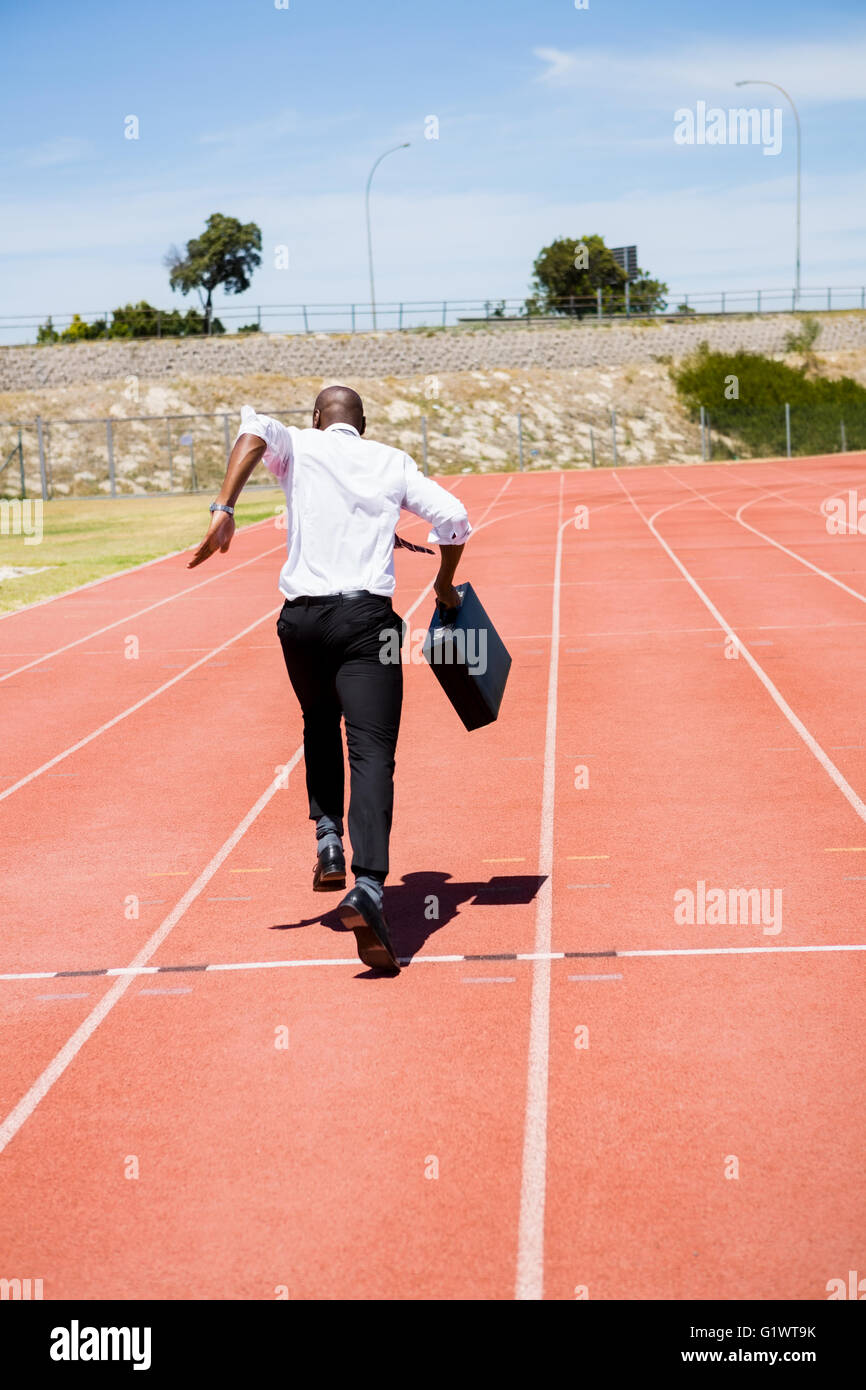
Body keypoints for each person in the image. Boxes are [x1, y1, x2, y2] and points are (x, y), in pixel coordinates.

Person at [188, 385, 472, 973]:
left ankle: (327, 835)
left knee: (318, 721)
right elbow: (455, 519)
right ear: (362, 425)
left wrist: (224, 509)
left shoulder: (299, 448)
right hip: (370, 622)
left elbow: (256, 428)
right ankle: (368, 885)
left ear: (316, 419)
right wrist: (444, 584)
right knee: (371, 752)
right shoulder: (390, 461)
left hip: (301, 622)